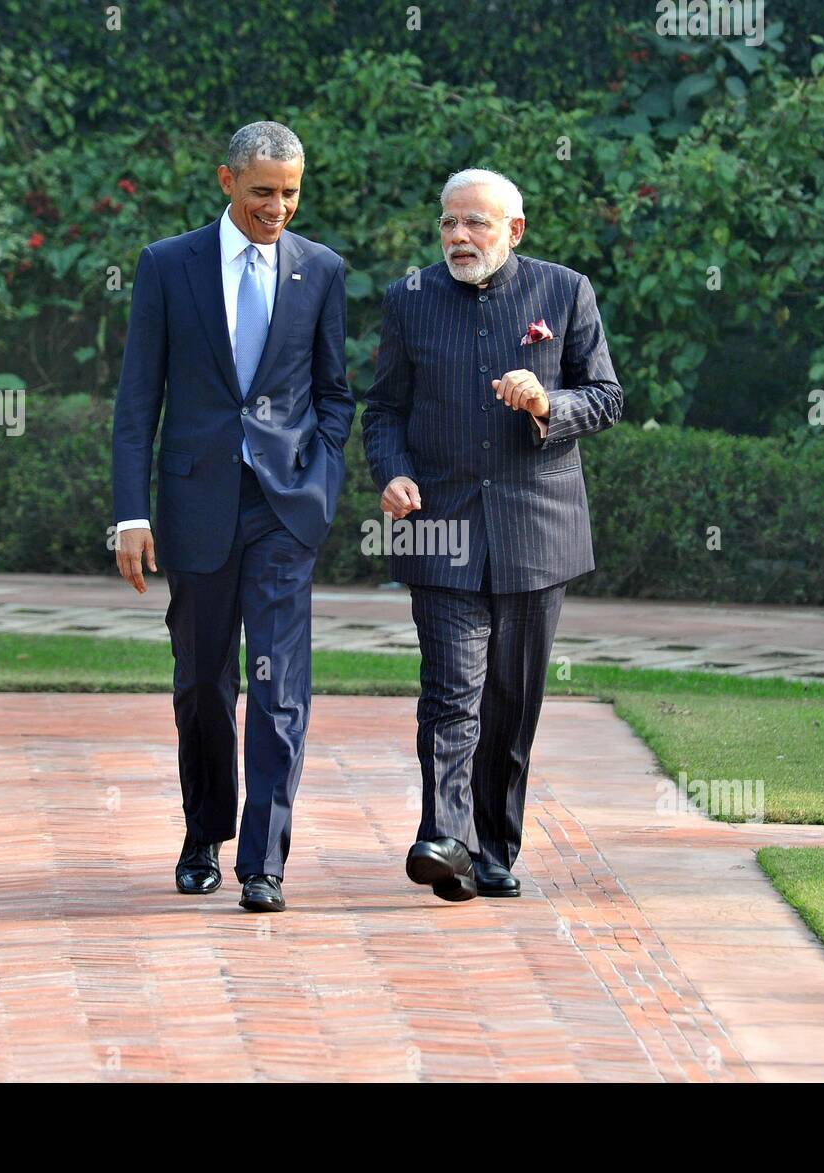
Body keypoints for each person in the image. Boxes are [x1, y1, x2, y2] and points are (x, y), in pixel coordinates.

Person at [112, 121, 354, 912]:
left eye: (290, 191)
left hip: (285, 509)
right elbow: (137, 401)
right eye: (262, 192)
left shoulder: (321, 270)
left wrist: (319, 478)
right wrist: (131, 514)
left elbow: (334, 392)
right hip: (195, 508)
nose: (278, 207)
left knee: (280, 685)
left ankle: (264, 862)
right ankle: (201, 834)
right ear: (226, 182)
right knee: (202, 684)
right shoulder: (166, 265)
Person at [362, 167, 622, 901]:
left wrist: (547, 403)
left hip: (539, 531)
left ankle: (493, 848)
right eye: (448, 222)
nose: (458, 236)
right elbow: (382, 410)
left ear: (514, 230)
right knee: (451, 692)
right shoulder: (408, 301)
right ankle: (444, 838)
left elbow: (606, 396)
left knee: (511, 702)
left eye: (475, 223)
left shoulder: (564, 291)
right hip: (438, 528)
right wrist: (393, 471)